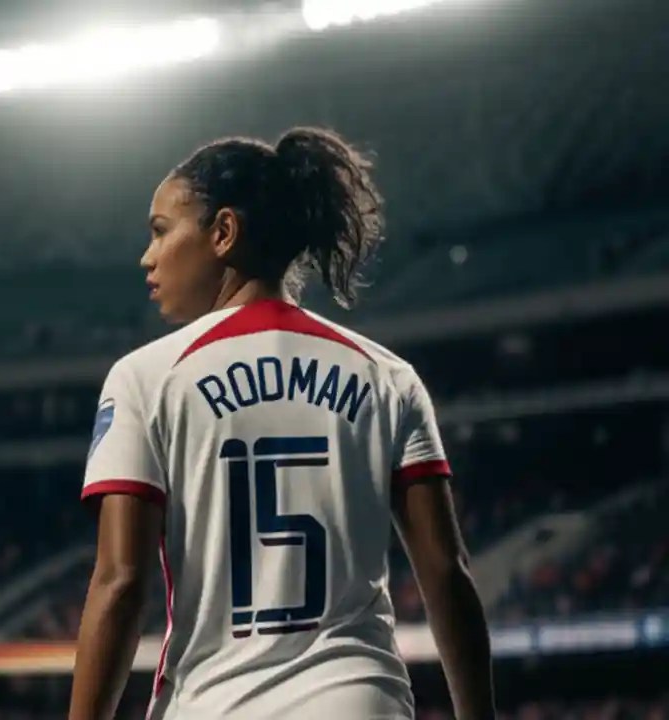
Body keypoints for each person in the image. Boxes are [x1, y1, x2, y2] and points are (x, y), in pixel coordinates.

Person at [68, 128, 495, 720]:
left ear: (223, 233)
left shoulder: (146, 377)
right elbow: (446, 573)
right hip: (360, 700)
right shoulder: (388, 376)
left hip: (217, 703)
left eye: (162, 231)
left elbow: (119, 582)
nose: (148, 256)